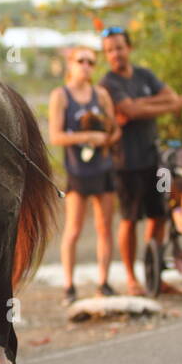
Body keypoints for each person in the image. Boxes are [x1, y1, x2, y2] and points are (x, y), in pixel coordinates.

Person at [100, 27, 182, 296]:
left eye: (119, 47)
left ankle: (155, 275)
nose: (115, 54)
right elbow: (131, 110)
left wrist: (143, 105)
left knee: (159, 215)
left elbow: (168, 96)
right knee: (129, 219)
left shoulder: (144, 75)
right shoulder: (109, 83)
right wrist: (166, 106)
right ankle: (131, 279)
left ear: (128, 48)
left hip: (155, 158)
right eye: (109, 50)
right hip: (126, 161)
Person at [48, 46, 119, 304]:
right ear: (70, 64)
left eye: (91, 61)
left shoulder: (100, 95)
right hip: (78, 171)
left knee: (104, 228)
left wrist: (106, 139)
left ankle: (104, 281)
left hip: (103, 168)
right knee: (74, 229)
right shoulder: (61, 96)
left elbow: (115, 129)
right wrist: (87, 136)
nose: (86, 66)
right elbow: (56, 136)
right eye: (81, 61)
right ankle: (69, 285)